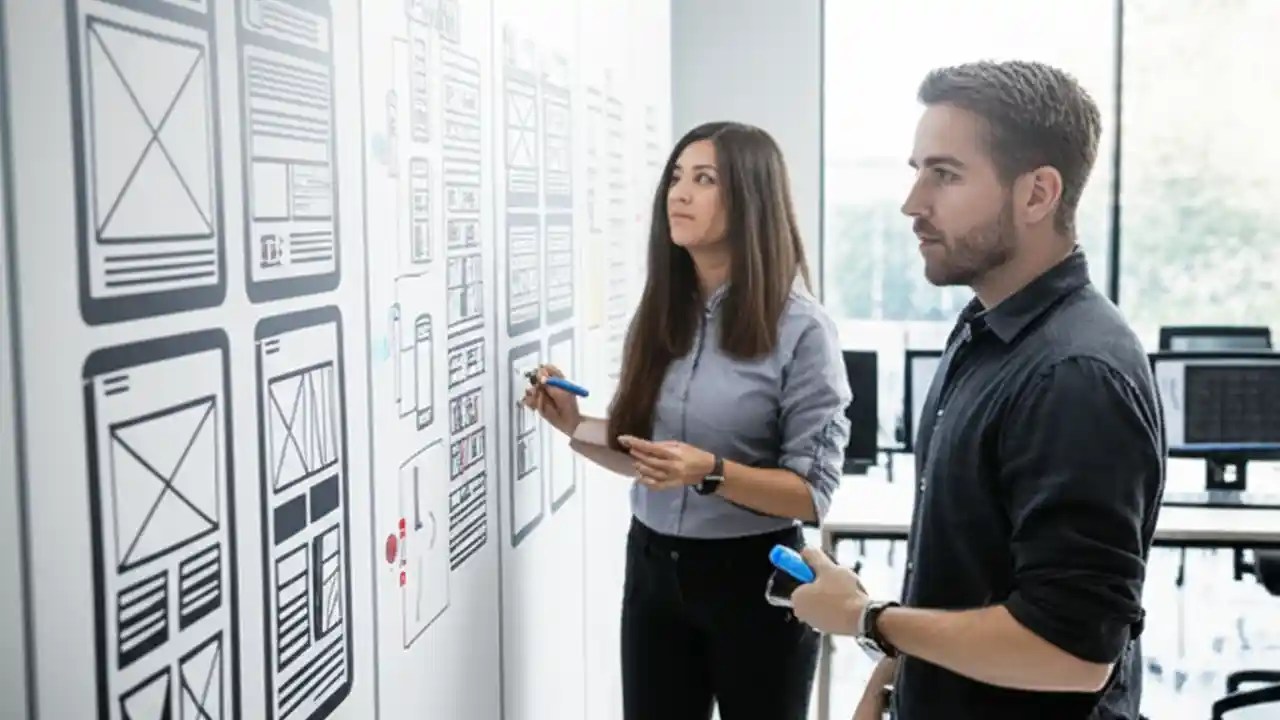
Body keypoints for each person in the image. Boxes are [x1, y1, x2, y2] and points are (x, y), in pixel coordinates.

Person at [791, 60, 1166, 719]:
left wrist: (867, 618)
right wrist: (895, 676)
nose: (913, 203)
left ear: (1037, 194)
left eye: (945, 174)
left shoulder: (1074, 375)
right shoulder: (984, 335)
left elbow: (1072, 652)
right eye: (917, 171)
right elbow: (970, 575)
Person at [522, 120, 853, 720]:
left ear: (751, 199)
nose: (678, 193)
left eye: (704, 180)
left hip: (757, 580)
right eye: (676, 177)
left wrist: (712, 472)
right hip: (653, 570)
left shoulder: (802, 329)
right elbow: (649, 458)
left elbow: (811, 495)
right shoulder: (661, 314)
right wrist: (574, 424)